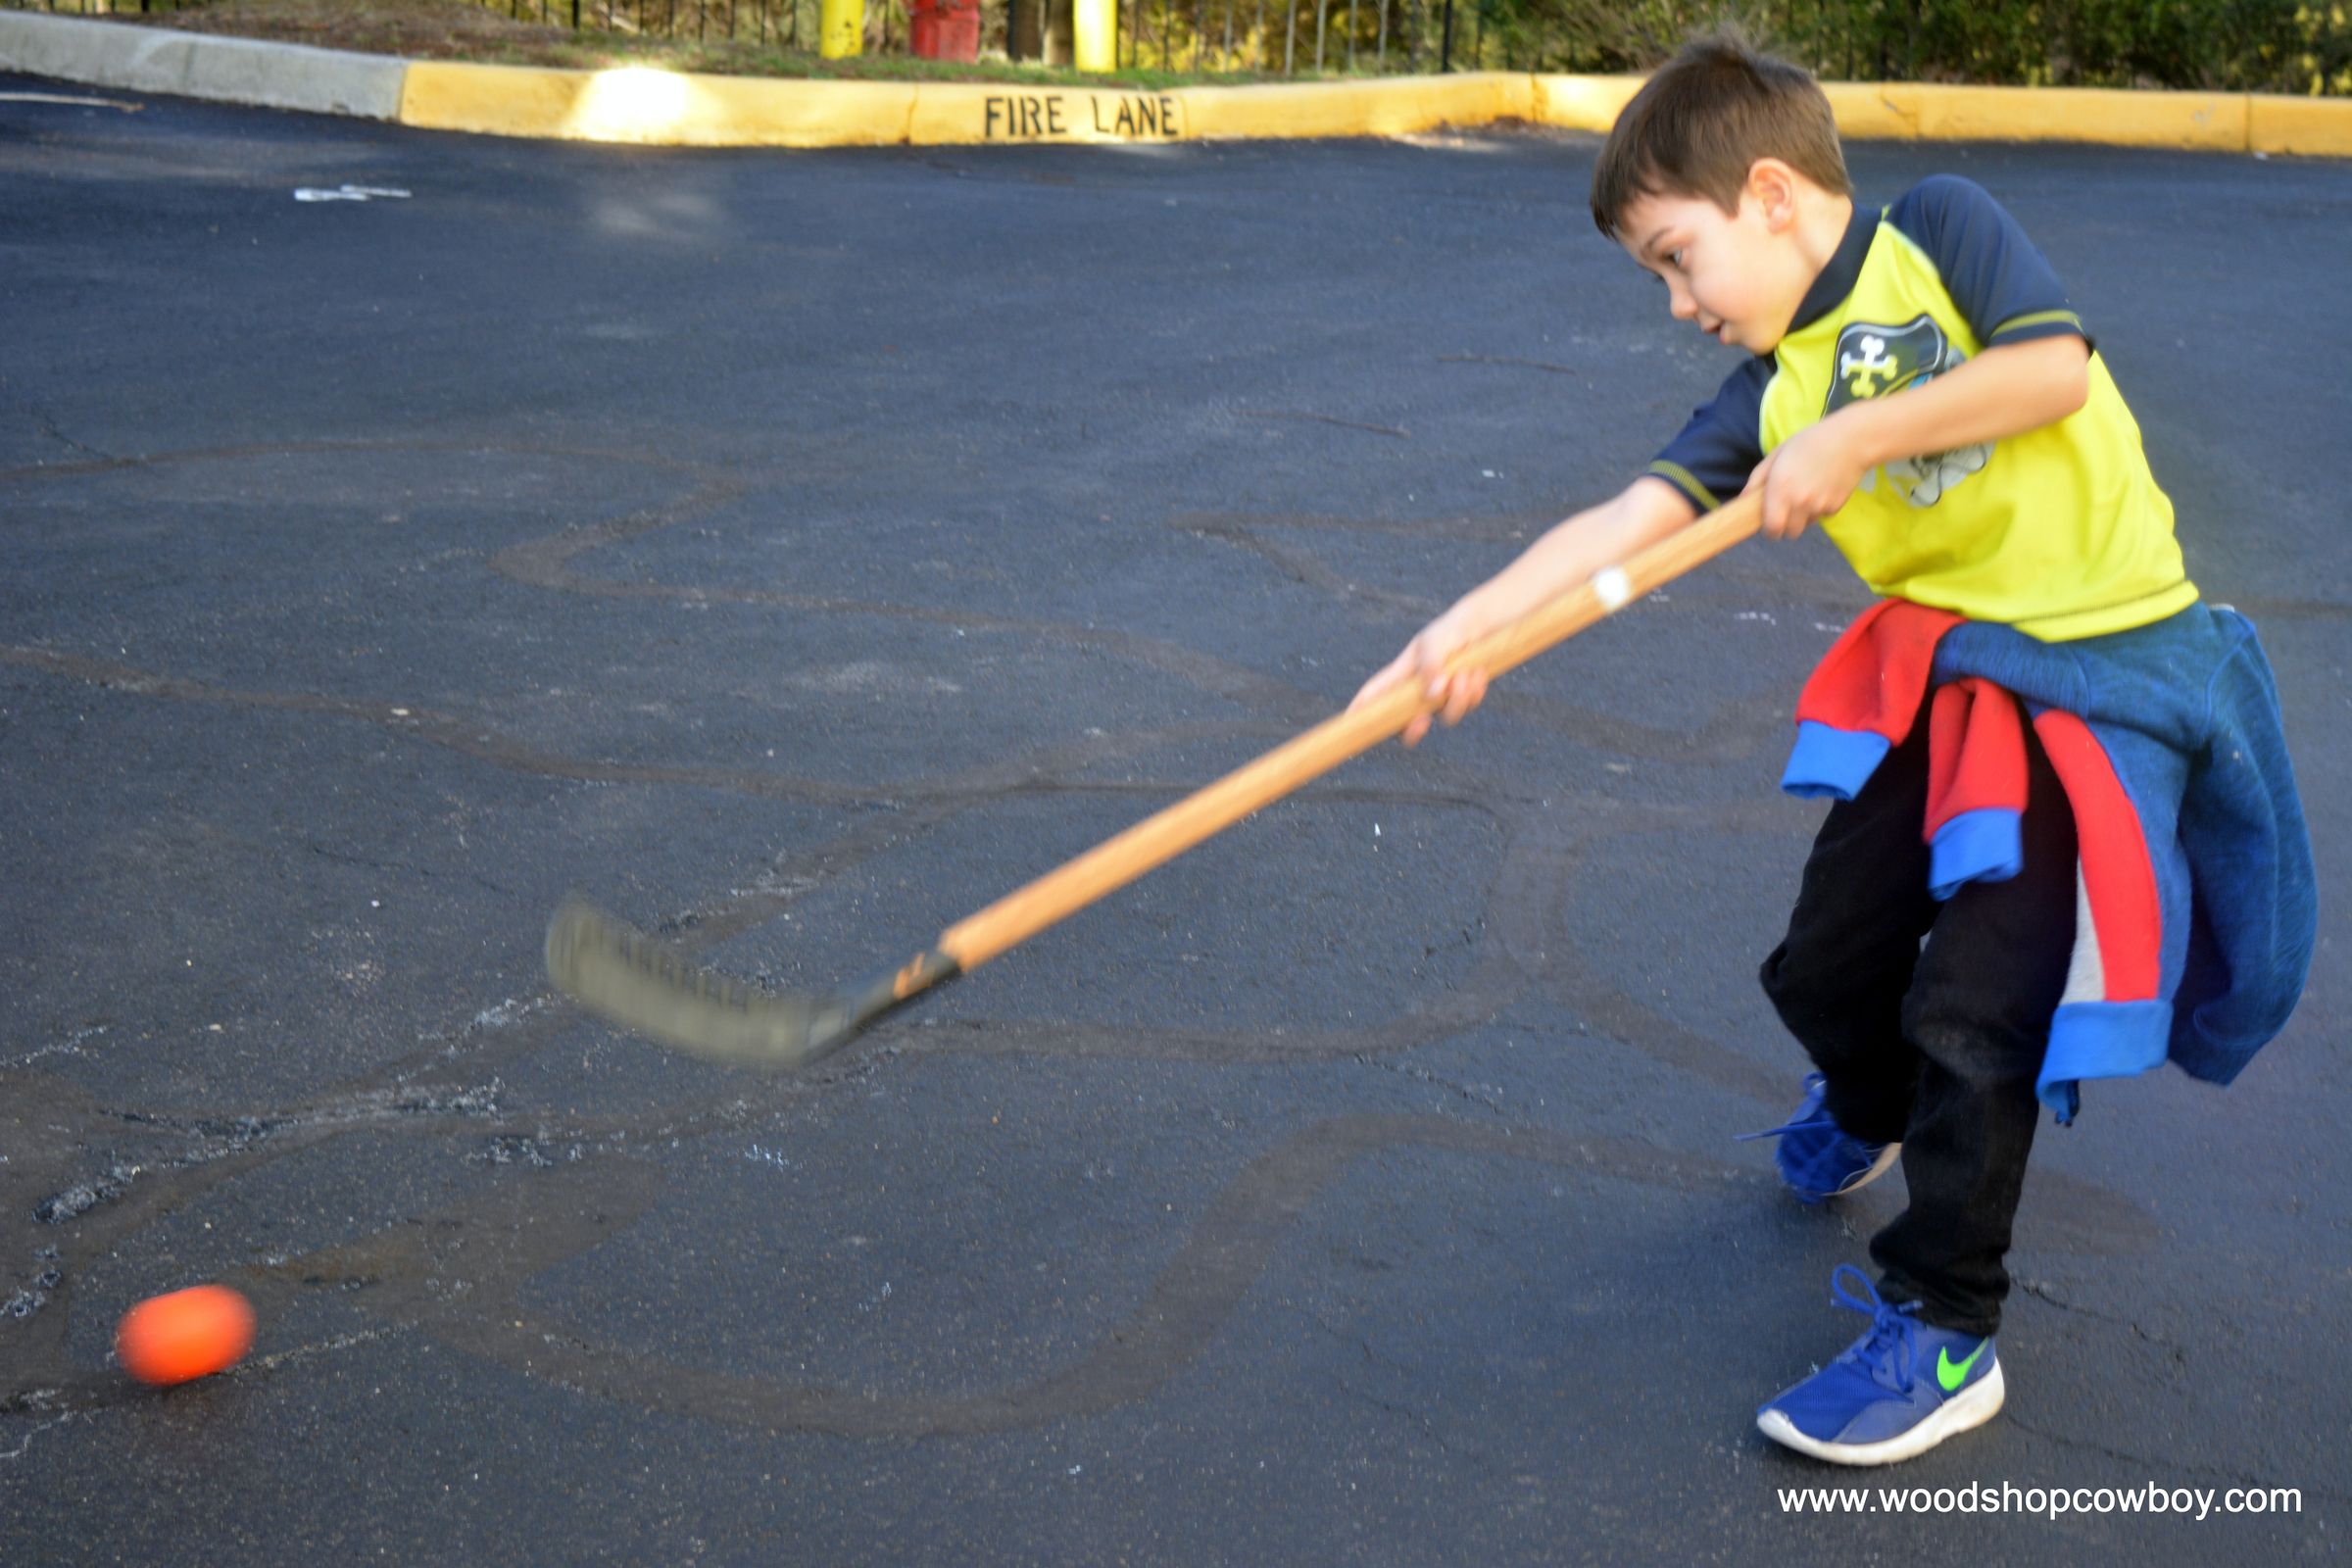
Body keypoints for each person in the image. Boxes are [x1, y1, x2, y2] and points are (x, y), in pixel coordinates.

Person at [1349, 32, 2314, 1466]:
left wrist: (1863, 438)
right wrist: (1466, 631)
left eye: (1679, 259)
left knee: (1978, 1008)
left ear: (1773, 195)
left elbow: (2050, 373)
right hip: (1967, 675)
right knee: (1825, 962)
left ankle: (1947, 1328)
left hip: (2104, 676)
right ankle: (1869, 1109)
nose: (1678, 303)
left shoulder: (1939, 230)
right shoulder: (1770, 395)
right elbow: (1626, 525)